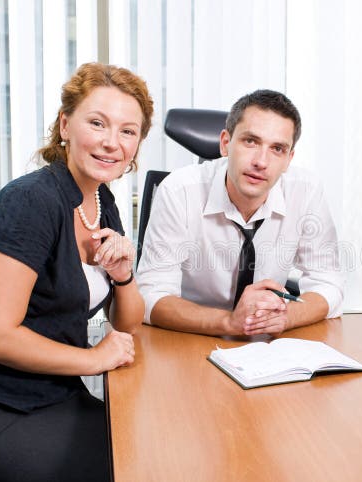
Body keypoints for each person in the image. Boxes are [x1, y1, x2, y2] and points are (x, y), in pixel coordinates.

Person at [0, 63, 153, 482]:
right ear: (65, 125)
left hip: (44, 393)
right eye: (97, 123)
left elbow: (127, 324)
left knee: (152, 442)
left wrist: (123, 275)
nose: (112, 143)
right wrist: (93, 358)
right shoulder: (31, 203)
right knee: (131, 468)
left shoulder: (100, 201)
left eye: (128, 131)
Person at [137, 90, 343, 336]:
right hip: (189, 334)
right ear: (226, 143)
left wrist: (286, 317)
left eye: (277, 148)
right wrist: (228, 322)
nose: (261, 162)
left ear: (289, 159)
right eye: (251, 141)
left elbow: (328, 283)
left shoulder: (306, 191)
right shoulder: (179, 190)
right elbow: (150, 296)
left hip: (262, 343)